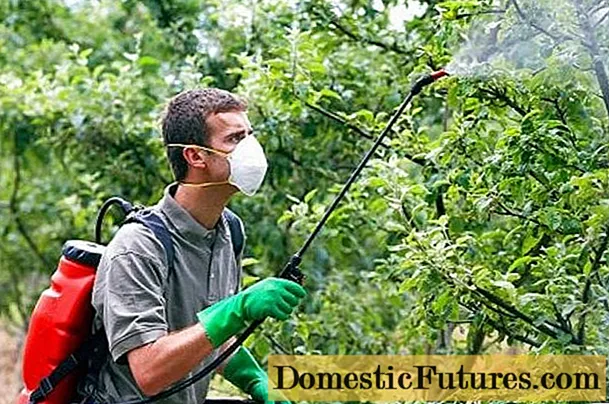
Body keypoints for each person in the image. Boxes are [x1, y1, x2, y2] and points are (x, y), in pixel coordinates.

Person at [78, 88, 306, 404]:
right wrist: (238, 309)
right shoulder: (137, 248)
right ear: (195, 156)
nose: (251, 149)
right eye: (234, 139)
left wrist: (255, 380)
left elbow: (208, 337)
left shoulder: (230, 231)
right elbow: (149, 372)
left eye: (249, 135)